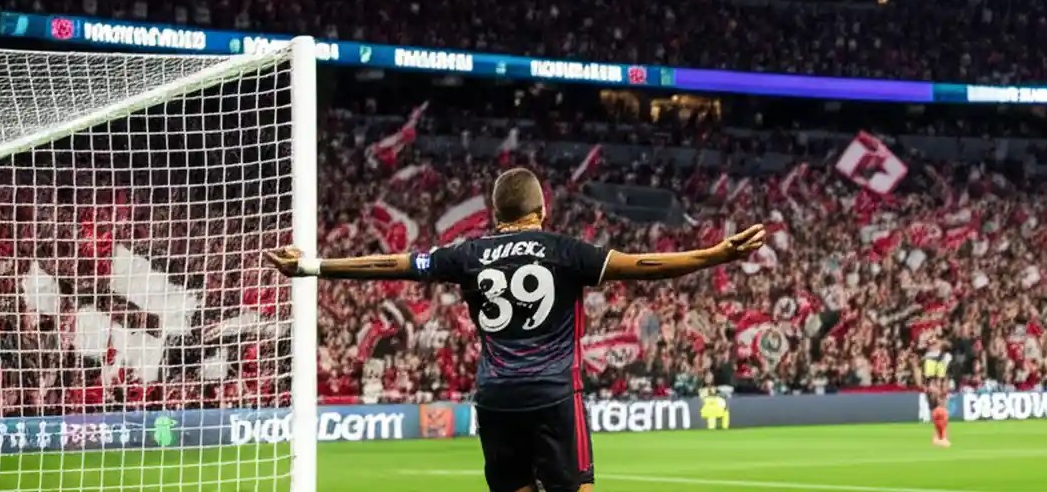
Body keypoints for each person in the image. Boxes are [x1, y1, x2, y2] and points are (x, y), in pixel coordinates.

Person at [266, 167, 767, 492]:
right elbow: (648, 265)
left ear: (494, 214)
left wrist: (313, 267)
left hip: (496, 398)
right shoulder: (565, 250)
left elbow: (391, 264)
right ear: (541, 209)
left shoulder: (467, 254)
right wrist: (717, 254)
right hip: (553, 395)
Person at [923, 340, 952, 447]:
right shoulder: (930, 358)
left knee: (942, 408)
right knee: (938, 409)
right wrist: (935, 388)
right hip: (932, 387)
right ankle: (940, 437)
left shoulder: (944, 358)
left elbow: (943, 377)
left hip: (936, 386)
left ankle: (941, 437)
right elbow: (930, 380)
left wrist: (943, 388)